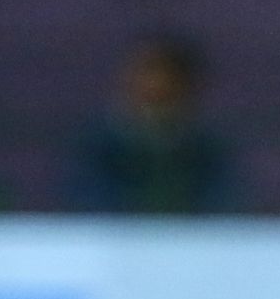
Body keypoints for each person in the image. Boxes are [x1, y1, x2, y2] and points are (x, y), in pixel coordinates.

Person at [69, 35, 234, 214]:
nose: (155, 84)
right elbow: (86, 194)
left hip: (190, 237)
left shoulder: (206, 146)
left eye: (165, 76)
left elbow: (224, 197)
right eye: (146, 74)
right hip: (116, 237)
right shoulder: (102, 143)